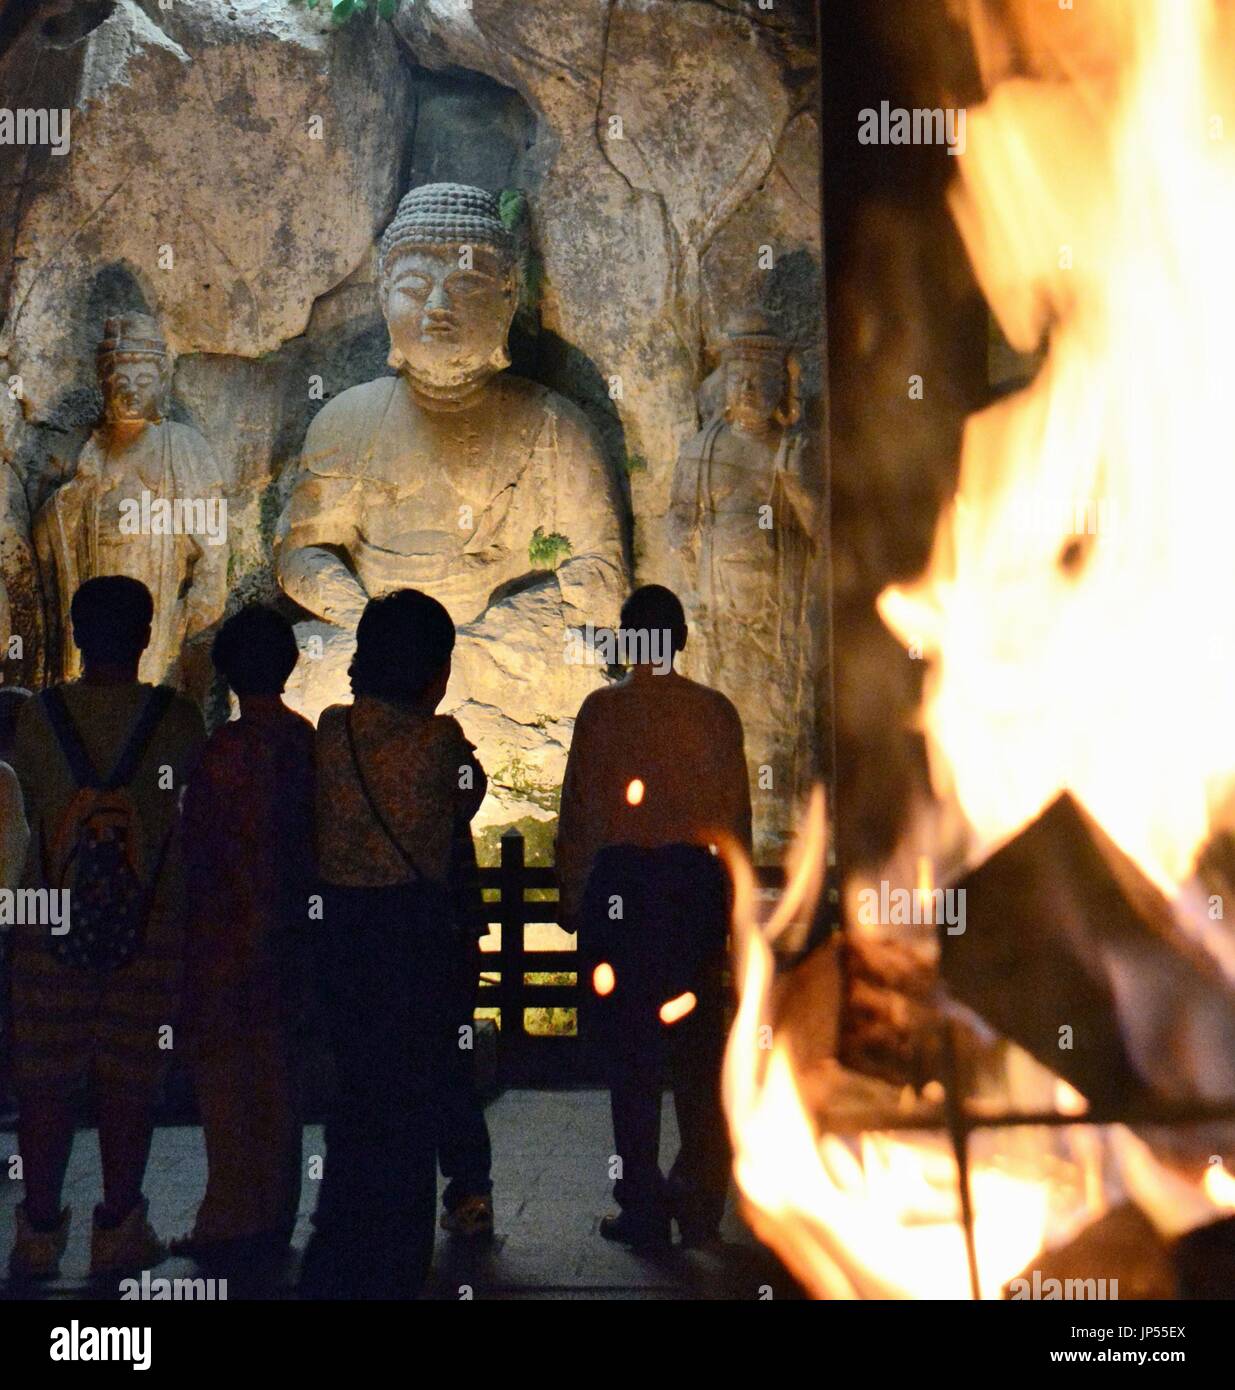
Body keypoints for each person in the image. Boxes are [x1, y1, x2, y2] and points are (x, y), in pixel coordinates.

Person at [6, 576, 205, 1282]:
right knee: (129, 1079)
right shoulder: (179, 720)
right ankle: (118, 1226)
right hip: (148, 930)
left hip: (48, 928)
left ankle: (36, 1231)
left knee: (45, 1081)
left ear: (77, 633)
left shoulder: (38, 718)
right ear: (148, 633)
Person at [301, 589, 490, 1300]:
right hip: (419, 943)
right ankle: (399, 1261)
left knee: (358, 1097)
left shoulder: (330, 730)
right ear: (434, 671)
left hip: (347, 940)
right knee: (414, 1102)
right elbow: (469, 795)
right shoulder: (443, 744)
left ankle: (335, 1246)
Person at [556, 584, 752, 1251]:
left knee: (631, 1056)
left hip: (623, 889)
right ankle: (699, 1202)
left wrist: (572, 892)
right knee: (699, 1055)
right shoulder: (714, 713)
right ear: (679, 641)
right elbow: (733, 821)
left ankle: (641, 1202)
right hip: (691, 887)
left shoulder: (601, 713)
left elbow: (580, 808)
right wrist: (735, 903)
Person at [177, 606, 315, 1268]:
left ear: (226, 674)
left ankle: (228, 1216)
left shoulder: (219, 754)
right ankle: (274, 1214)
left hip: (222, 939)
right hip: (288, 938)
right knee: (278, 1077)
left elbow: (198, 852)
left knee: (226, 1082)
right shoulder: (304, 743)